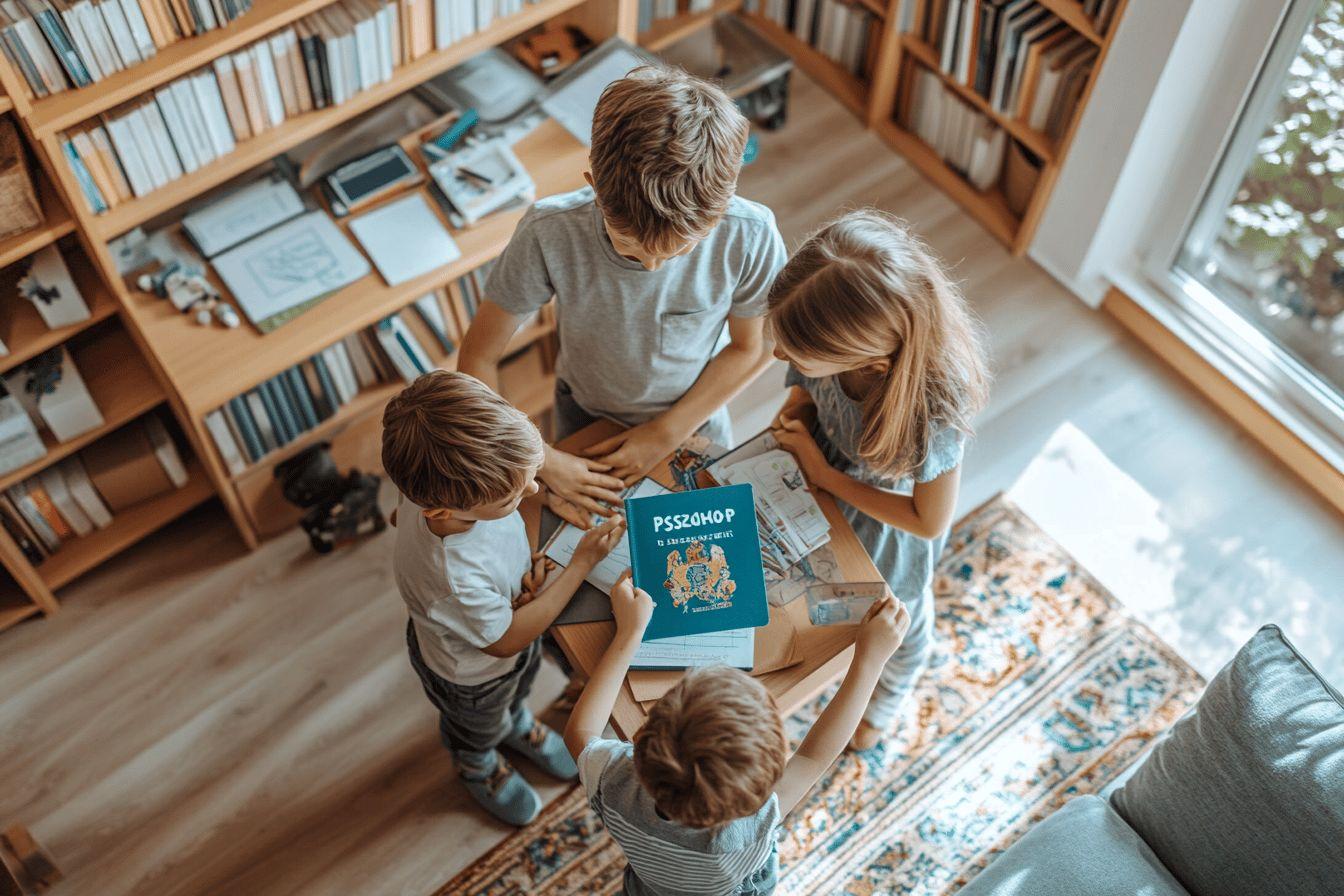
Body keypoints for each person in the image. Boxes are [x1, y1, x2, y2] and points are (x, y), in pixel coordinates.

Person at [458, 65, 786, 529]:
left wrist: (666, 433)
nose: (651, 268)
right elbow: (477, 358)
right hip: (583, 412)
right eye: (630, 247)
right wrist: (543, 460)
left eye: (680, 252)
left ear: (722, 208)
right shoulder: (549, 232)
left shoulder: (750, 234)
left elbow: (755, 346)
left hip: (694, 416)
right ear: (595, 188)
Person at [766, 209, 991, 750]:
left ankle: (886, 700)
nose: (777, 354)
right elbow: (803, 389)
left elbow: (929, 521)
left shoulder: (935, 408)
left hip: (885, 523)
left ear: (872, 361)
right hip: (815, 483)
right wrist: (794, 413)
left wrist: (823, 476)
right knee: (815, 601)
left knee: (900, 626)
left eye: (794, 351)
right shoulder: (826, 339)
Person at [381, 370, 626, 824]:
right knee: (478, 724)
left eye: (530, 477)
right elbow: (505, 641)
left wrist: (518, 565)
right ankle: (477, 762)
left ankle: (515, 724)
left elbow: (403, 520)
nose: (533, 489)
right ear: (441, 511)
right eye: (513, 495)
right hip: (472, 675)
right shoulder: (453, 576)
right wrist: (580, 565)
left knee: (519, 690)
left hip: (499, 633)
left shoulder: (430, 483)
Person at [564, 573, 910, 895]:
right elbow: (813, 756)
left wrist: (629, 634)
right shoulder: (746, 834)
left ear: (640, 740)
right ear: (758, 793)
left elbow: (581, 731)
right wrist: (871, 659)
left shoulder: (614, 781)